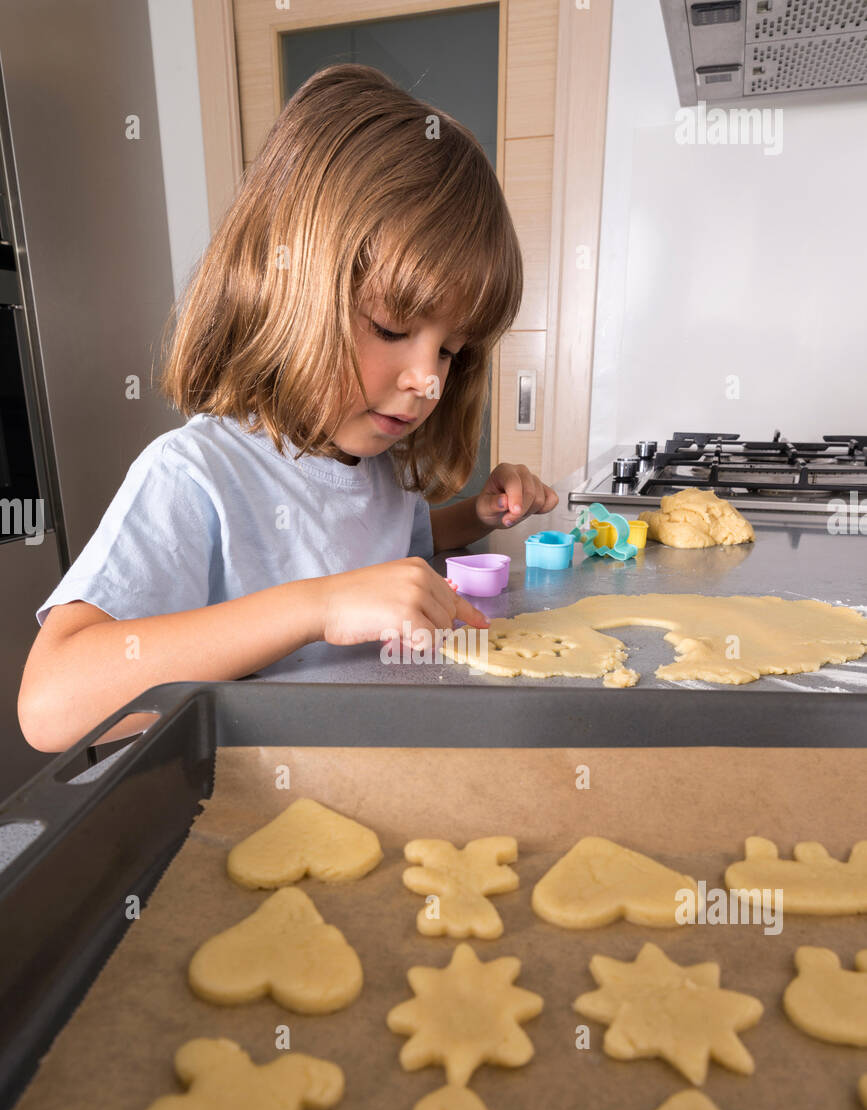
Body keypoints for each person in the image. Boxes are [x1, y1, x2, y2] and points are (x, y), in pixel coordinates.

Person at [18, 64, 557, 753]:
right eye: (391, 329)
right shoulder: (193, 477)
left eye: (449, 351)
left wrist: (473, 515)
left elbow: (397, 558)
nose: (426, 380)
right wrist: (317, 607)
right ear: (284, 289)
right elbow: (51, 703)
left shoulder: (377, 470)